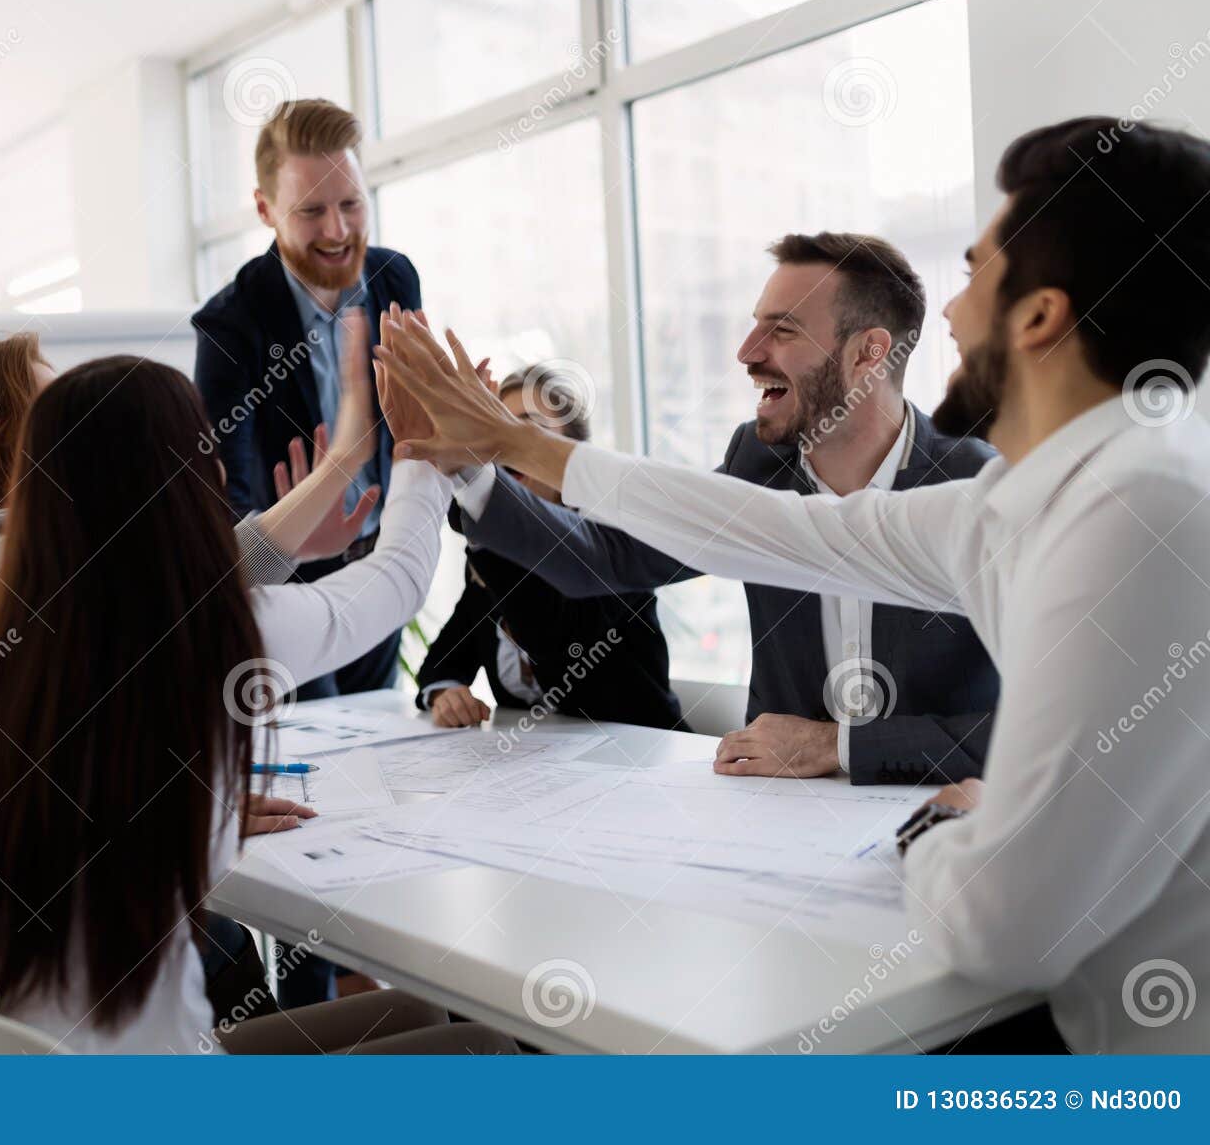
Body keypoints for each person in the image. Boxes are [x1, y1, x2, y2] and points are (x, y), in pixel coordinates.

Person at [377, 117, 1210, 1053]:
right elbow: (772, 532)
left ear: (1041, 315)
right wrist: (514, 446)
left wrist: (933, 827)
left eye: (978, 273)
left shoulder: (1140, 516)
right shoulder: (1032, 500)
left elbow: (1007, 920)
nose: (952, 314)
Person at [0, 329, 384, 1054]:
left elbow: (162, 585)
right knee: (213, 946)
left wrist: (187, 806)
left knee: (215, 941)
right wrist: (348, 454)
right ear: (16, 439)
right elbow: (172, 575)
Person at [0, 353, 515, 1054]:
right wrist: (421, 454)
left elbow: (88, 809)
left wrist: (200, 809)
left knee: (420, 1017)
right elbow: (397, 582)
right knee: (482, 1048)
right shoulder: (209, 637)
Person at [440, 234, 999, 785]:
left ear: (868, 353)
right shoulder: (758, 462)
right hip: (770, 812)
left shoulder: (978, 483)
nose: (747, 353)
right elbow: (603, 559)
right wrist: (470, 469)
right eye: (756, 325)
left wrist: (839, 745)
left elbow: (1030, 732)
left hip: (938, 819)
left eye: (782, 330)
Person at [193, 98, 419, 702]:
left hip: (378, 562)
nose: (338, 232)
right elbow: (226, 499)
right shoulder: (229, 325)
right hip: (284, 583)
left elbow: (417, 423)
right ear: (265, 209)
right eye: (311, 211)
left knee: (381, 738)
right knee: (313, 763)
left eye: (351, 204)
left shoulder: (395, 277)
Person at [416, 363, 686, 732]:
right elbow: (444, 660)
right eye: (492, 428)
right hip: (542, 768)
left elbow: (552, 641)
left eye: (528, 429)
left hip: (641, 759)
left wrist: (487, 515)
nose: (502, 445)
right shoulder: (489, 556)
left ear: (570, 454)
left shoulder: (611, 542)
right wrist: (445, 693)